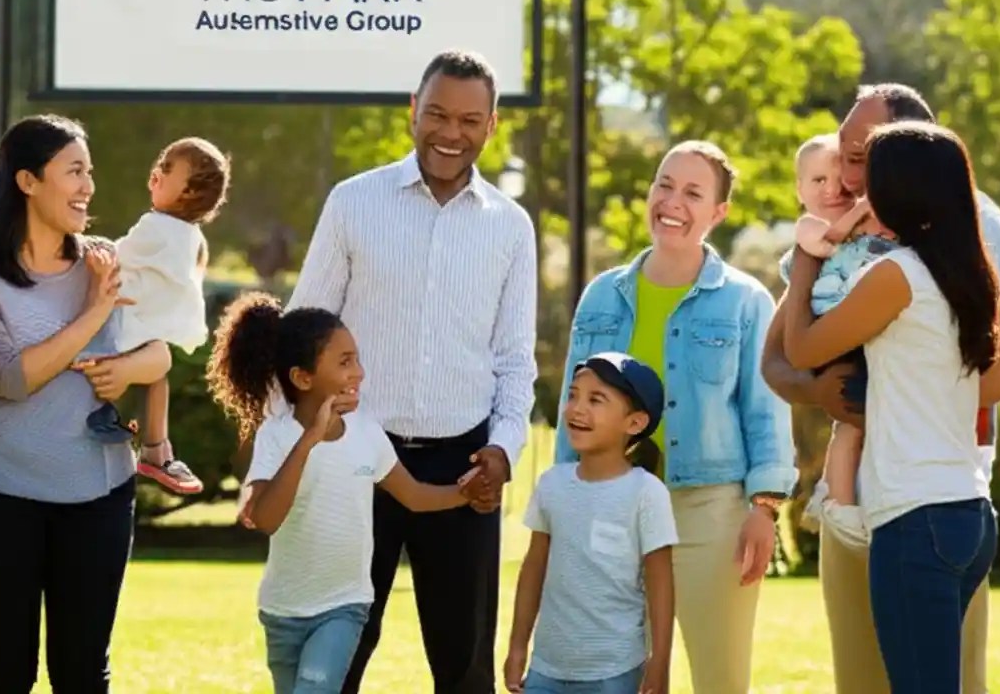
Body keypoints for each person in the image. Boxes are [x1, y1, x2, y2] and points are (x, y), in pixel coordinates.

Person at [276, 49, 537, 694]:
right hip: (353, 457)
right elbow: (301, 333)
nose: (452, 133)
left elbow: (513, 361)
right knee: (335, 658)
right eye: (438, 114)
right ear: (412, 112)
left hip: (463, 468)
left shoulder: (512, 226)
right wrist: (298, 442)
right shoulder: (353, 203)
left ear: (492, 125)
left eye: (470, 120)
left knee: (465, 667)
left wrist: (502, 452)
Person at [761, 83, 1000, 694]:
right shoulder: (967, 270)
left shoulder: (895, 273)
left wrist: (809, 256)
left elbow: (802, 348)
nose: (852, 183)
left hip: (911, 518)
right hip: (969, 512)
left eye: (869, 166)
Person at [0, 114, 173, 693]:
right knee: (5, 671)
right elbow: (8, 378)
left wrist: (125, 369)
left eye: (89, 172)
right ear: (27, 181)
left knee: (82, 673)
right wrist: (94, 314)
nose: (88, 187)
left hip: (97, 496)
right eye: (74, 171)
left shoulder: (103, 259)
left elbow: (162, 354)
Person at [555, 140, 795, 694]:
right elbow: (575, 410)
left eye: (693, 193)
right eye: (664, 184)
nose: (673, 202)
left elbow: (766, 410)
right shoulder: (601, 297)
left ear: (718, 213)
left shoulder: (745, 301)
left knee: (720, 679)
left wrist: (765, 506)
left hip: (711, 513)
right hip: (609, 510)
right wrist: (565, 501)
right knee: (610, 677)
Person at [206, 292, 492, 694]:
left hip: (345, 607)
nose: (358, 372)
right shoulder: (277, 435)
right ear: (303, 378)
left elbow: (413, 495)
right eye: (345, 362)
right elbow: (265, 519)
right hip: (282, 612)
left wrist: (467, 494)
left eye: (356, 358)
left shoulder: (367, 434)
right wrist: (309, 441)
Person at [505, 353, 676, 694]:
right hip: (546, 671)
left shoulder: (646, 493)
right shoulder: (552, 484)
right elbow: (533, 570)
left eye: (596, 399)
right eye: (573, 395)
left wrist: (659, 663)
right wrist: (517, 646)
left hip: (615, 674)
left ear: (635, 423)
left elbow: (661, 585)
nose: (576, 409)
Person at [78, 136, 230, 496]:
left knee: (125, 365)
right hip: (153, 327)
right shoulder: (191, 235)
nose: (156, 172)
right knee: (155, 376)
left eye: (167, 168)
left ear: (189, 193)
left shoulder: (157, 227)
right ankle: (157, 447)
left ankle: (120, 425)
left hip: (130, 318)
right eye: (160, 163)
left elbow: (119, 255)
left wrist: (88, 250)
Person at [778, 133, 898, 550]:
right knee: (850, 423)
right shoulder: (809, 227)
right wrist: (859, 212)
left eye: (839, 179)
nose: (831, 190)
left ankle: (839, 496)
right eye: (817, 181)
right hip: (833, 332)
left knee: (863, 424)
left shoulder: (869, 230)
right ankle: (839, 505)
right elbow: (823, 243)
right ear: (799, 190)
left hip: (865, 329)